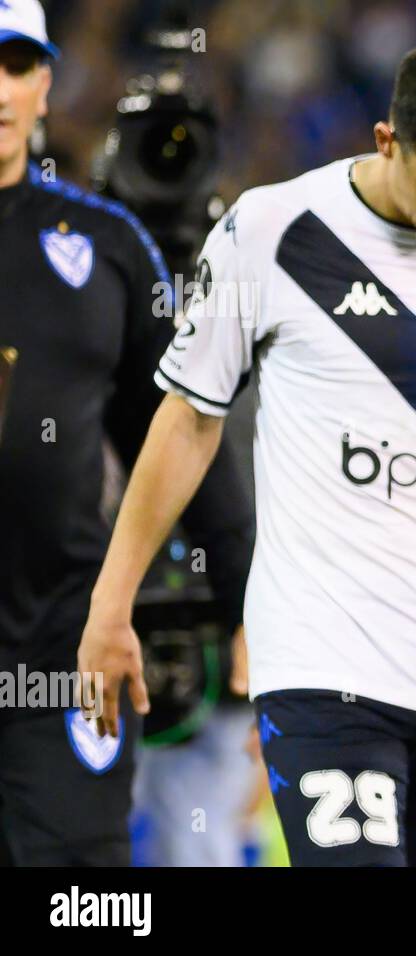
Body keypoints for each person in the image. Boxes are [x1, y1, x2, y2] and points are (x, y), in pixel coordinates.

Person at [81, 36, 416, 866]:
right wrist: (110, 604)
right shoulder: (269, 230)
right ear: (386, 140)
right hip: (321, 655)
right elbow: (187, 422)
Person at [0, 0, 253, 865]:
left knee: (85, 900)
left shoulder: (109, 247)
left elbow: (181, 432)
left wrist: (246, 602)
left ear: (43, 83)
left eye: (17, 62)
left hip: (62, 653)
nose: (0, 86)